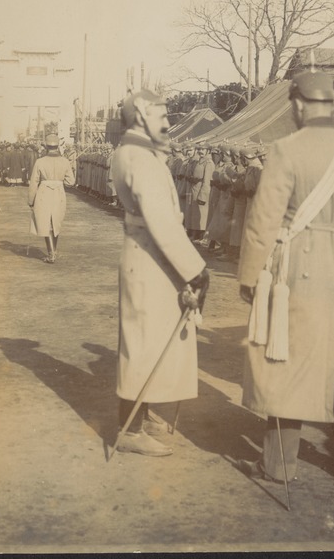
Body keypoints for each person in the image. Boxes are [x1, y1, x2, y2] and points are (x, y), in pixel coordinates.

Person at [235, 70, 334, 483]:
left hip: (297, 270)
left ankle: (279, 465)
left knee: (285, 361)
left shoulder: (286, 150)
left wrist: (250, 277)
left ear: (299, 105)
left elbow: (263, 221)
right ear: (333, 105)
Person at [110, 90, 210, 457]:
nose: (168, 123)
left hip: (149, 254)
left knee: (147, 338)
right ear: (140, 115)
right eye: (161, 115)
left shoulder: (133, 152)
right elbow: (163, 224)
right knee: (141, 342)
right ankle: (129, 430)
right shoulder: (141, 158)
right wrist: (196, 269)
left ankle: (142, 411)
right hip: (152, 254)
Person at [27, 133, 76, 263]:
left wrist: (31, 200)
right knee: (56, 223)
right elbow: (71, 182)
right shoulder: (65, 161)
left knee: (46, 223)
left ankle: (51, 254)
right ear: (57, 146)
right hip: (59, 194)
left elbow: (33, 183)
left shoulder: (40, 162)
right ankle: (53, 251)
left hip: (43, 193)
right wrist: (60, 182)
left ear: (46, 147)